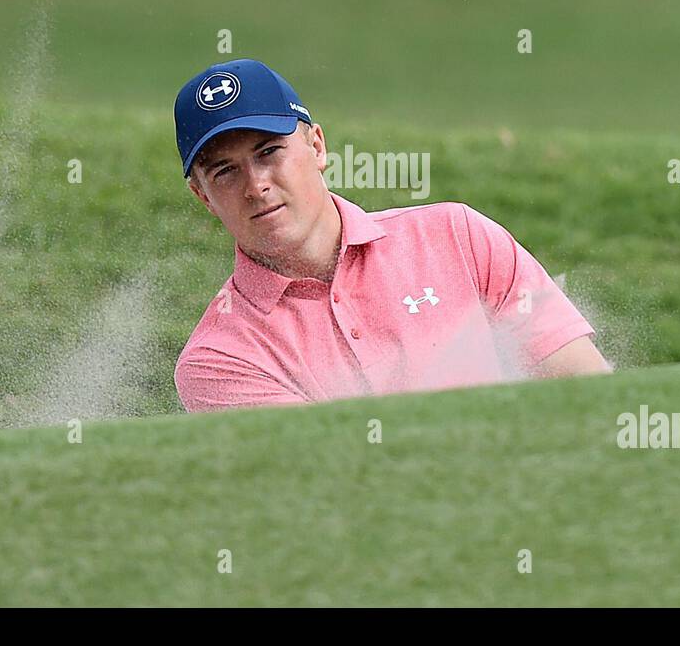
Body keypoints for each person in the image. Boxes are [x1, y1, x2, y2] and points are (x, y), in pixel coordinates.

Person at [172, 58, 612, 412]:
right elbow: (336, 486)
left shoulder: (457, 235)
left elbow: (588, 395)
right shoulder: (219, 359)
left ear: (317, 147)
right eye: (225, 171)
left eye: (269, 152)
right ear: (203, 196)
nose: (256, 185)